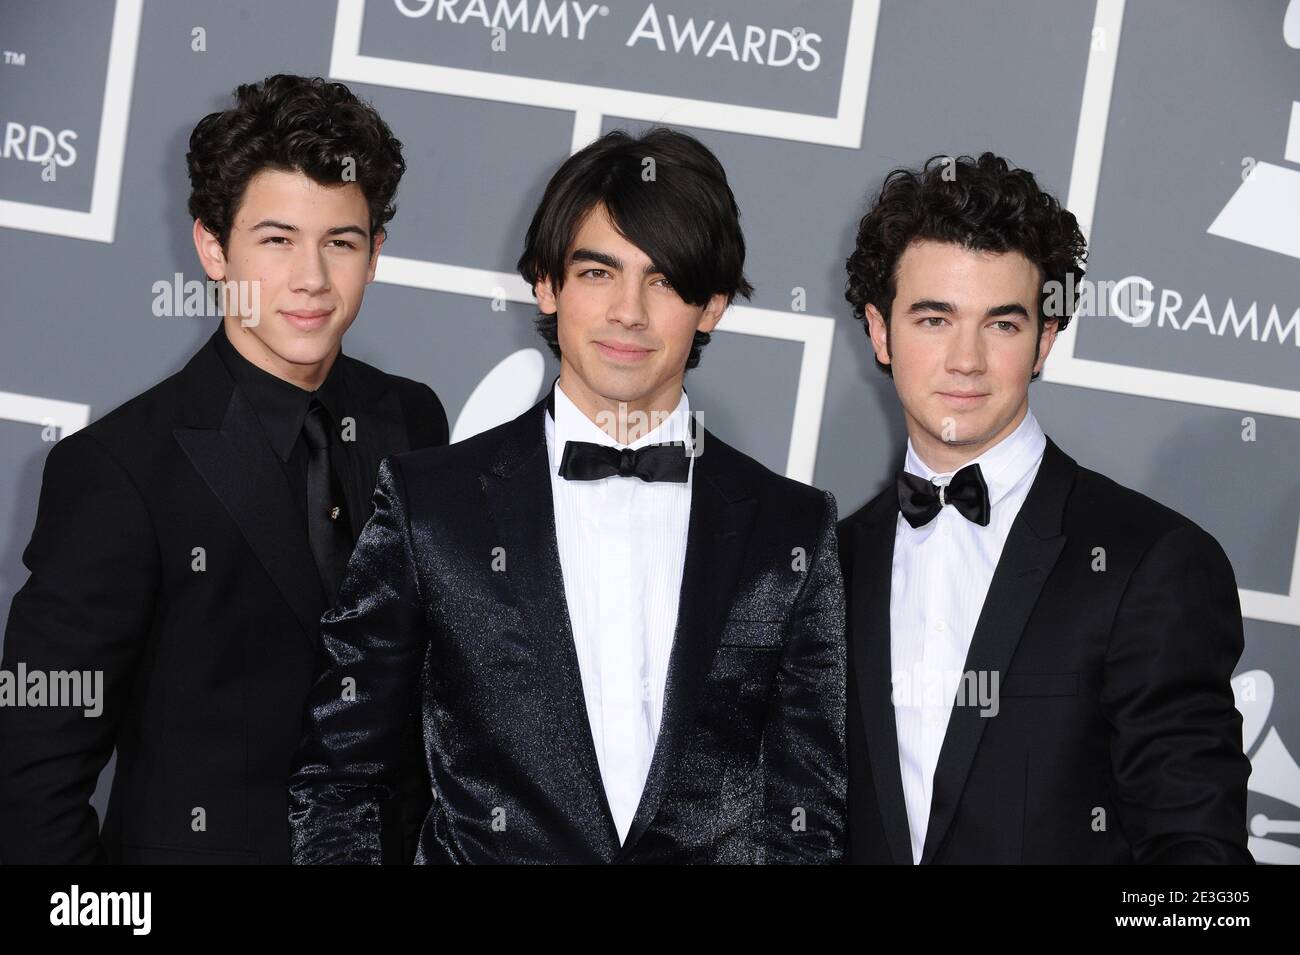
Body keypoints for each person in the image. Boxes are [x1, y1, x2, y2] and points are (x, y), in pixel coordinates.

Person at [288, 127, 846, 863]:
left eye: (665, 279)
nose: (628, 312)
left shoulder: (791, 528)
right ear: (547, 284)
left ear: (710, 305)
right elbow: (341, 777)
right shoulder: (432, 506)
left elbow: (808, 813)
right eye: (597, 273)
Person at [0, 74, 447, 864]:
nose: (311, 277)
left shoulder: (411, 420)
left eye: (339, 242)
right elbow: (32, 771)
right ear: (213, 245)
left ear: (374, 254)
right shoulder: (117, 470)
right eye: (276, 240)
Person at [838, 152, 1252, 864]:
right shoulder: (830, 562)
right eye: (934, 319)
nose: (965, 359)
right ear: (880, 331)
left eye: (1001, 324)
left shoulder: (1148, 563)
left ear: (1045, 340)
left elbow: (1200, 872)